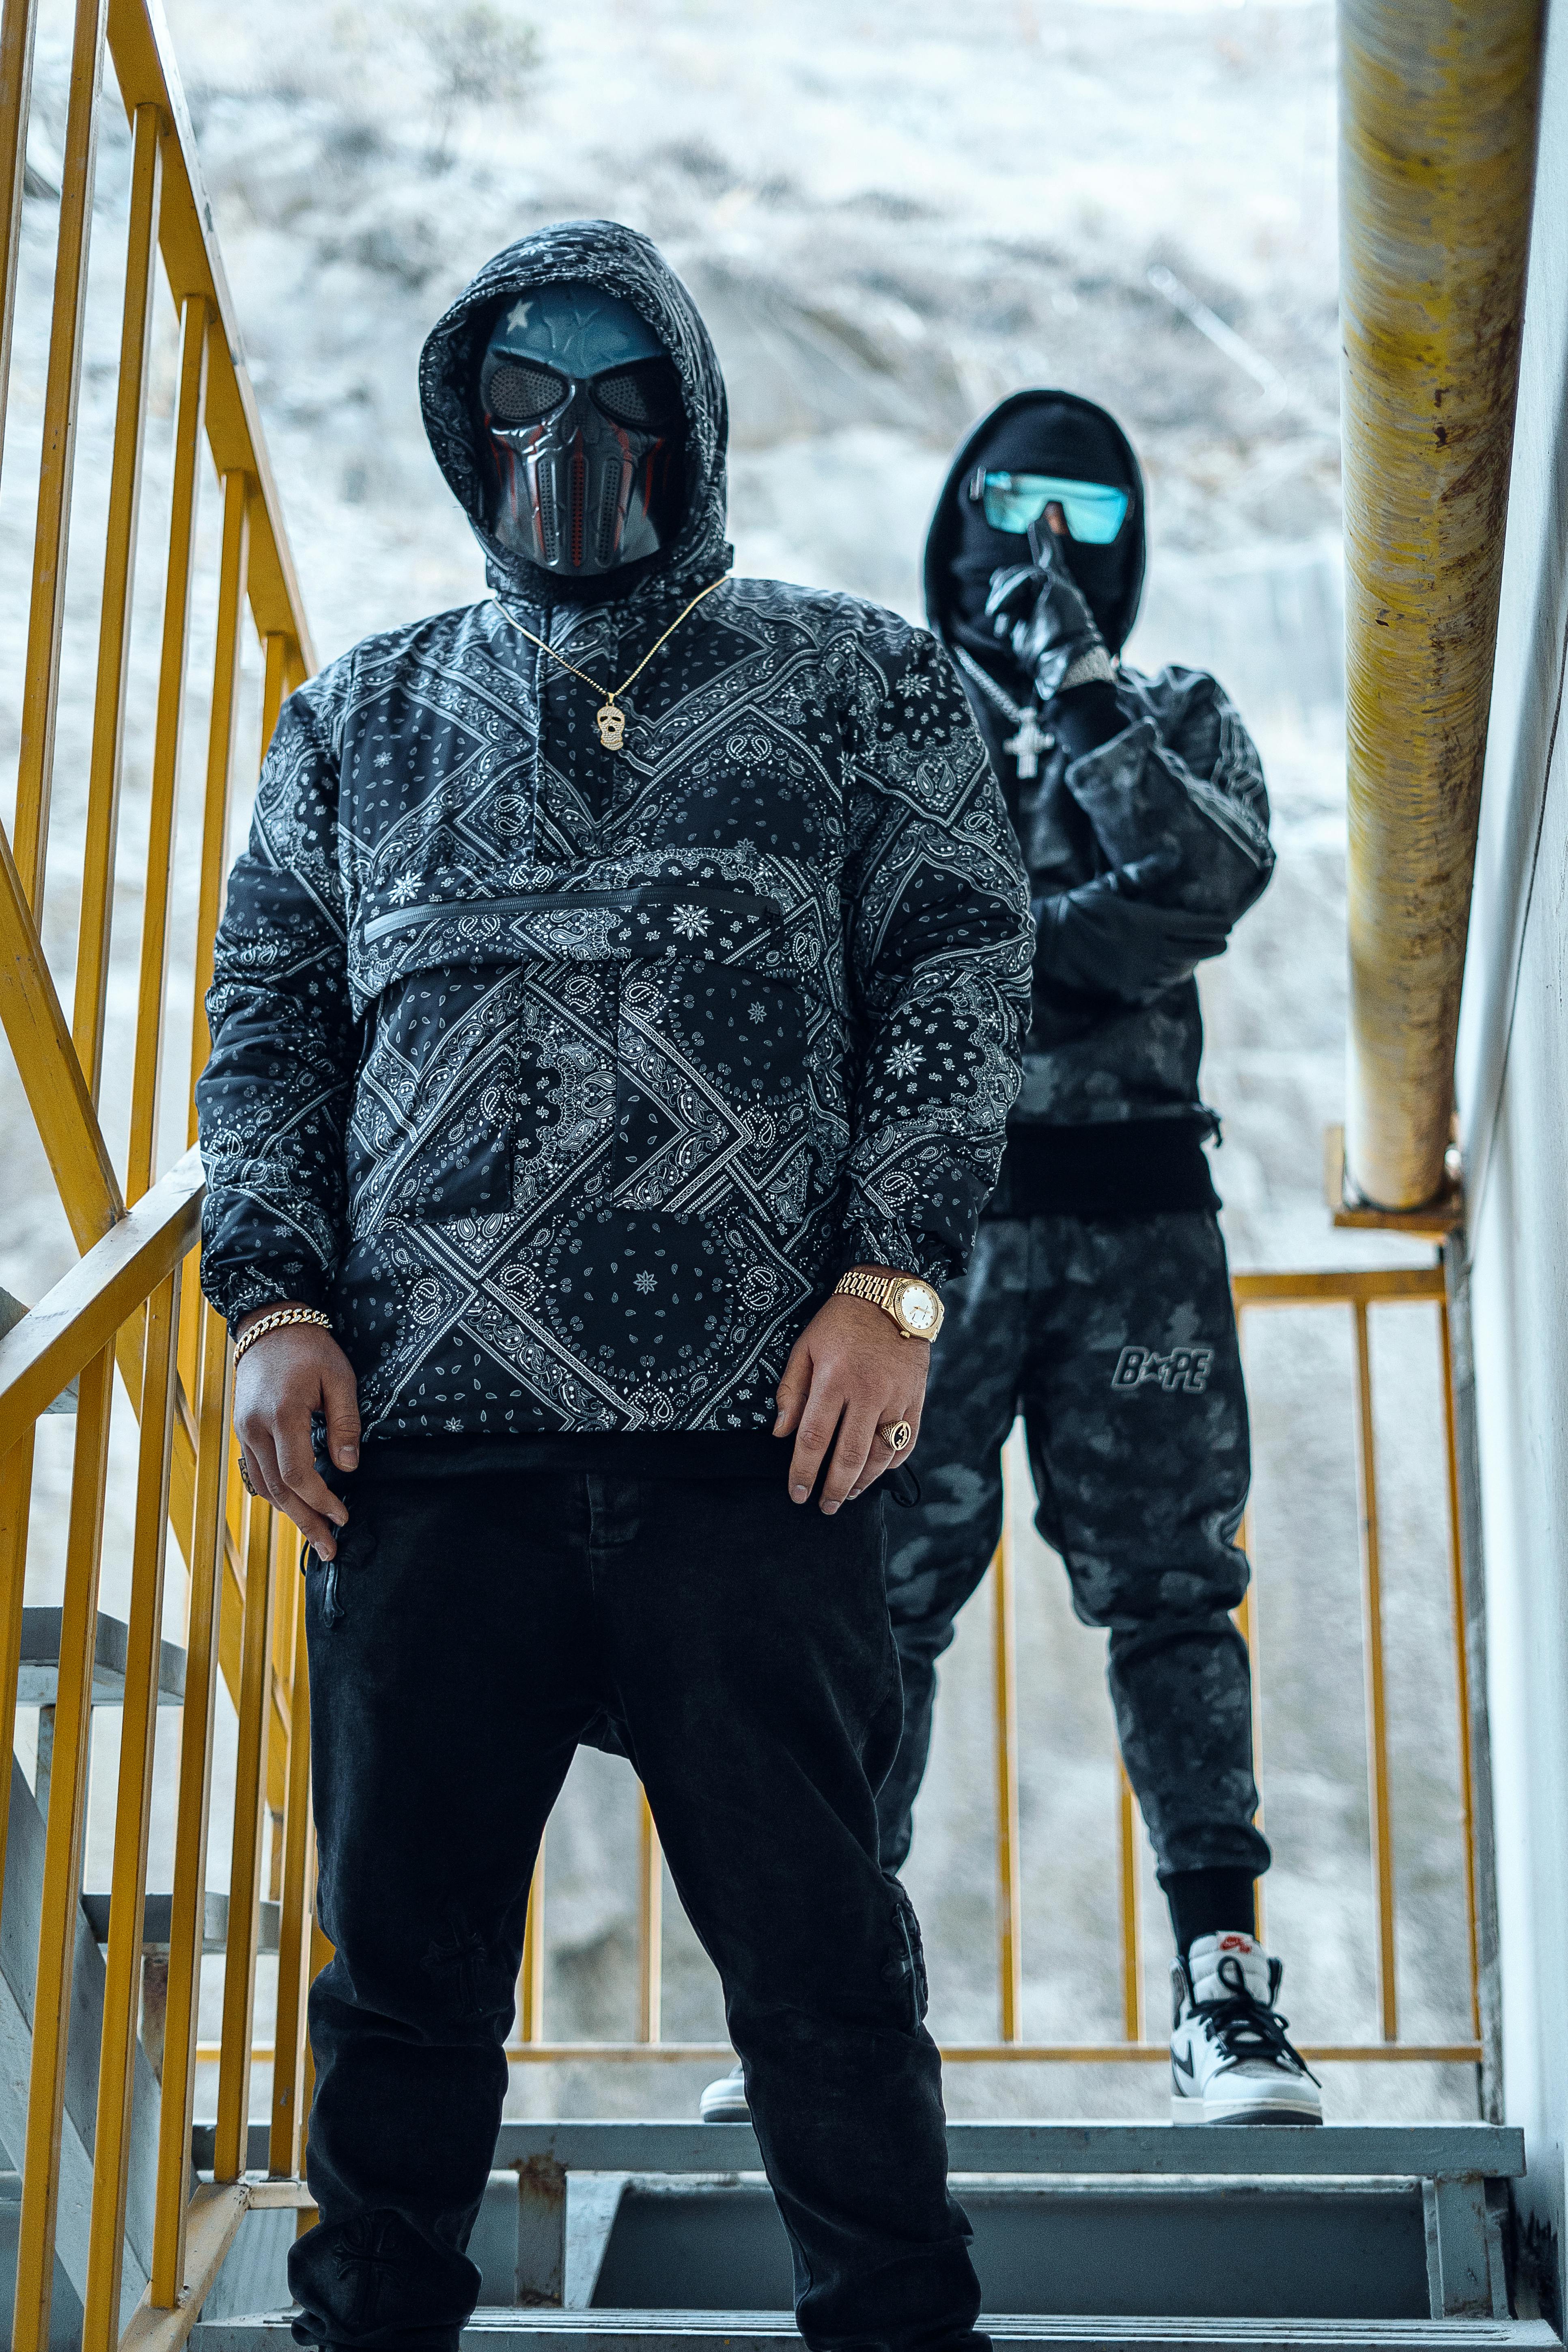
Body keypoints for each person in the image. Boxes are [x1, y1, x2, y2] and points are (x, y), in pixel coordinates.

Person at [196, 220, 1034, 2352]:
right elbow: (270, 1022)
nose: (566, 440)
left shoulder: (864, 685)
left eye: (612, 391)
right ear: (460, 425)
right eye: (518, 394)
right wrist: (271, 1302)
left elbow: (959, 962)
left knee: (824, 1975)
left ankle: (896, 2329)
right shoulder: (351, 719)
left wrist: (897, 1279)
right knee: (397, 1990)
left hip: (749, 1450)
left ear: (690, 410)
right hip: (428, 1457)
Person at [700, 389, 1319, 2133]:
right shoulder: (894, 731)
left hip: (1142, 1250)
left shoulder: (1174, 710)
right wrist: (1092, 940)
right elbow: (853, 958)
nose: (1042, 544)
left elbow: (1197, 874)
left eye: (1084, 514)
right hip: (926, 1255)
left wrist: (1081, 683)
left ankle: (1224, 2000)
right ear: (959, 518)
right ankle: (833, 2016)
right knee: (876, 1606)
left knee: (1174, 1595)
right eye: (1012, 507)